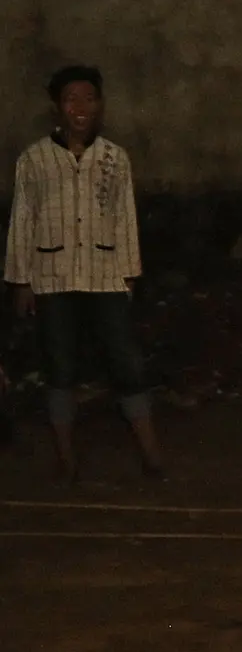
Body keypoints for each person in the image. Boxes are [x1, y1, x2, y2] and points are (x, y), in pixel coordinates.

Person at [4, 65, 162, 481]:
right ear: (58, 105)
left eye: (89, 98)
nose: (81, 107)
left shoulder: (113, 158)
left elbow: (125, 217)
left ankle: (151, 454)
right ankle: (67, 458)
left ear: (100, 104)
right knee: (60, 366)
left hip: (105, 275)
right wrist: (21, 280)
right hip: (52, 277)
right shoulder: (35, 159)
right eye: (71, 98)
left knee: (127, 363)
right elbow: (22, 220)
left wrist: (129, 273)